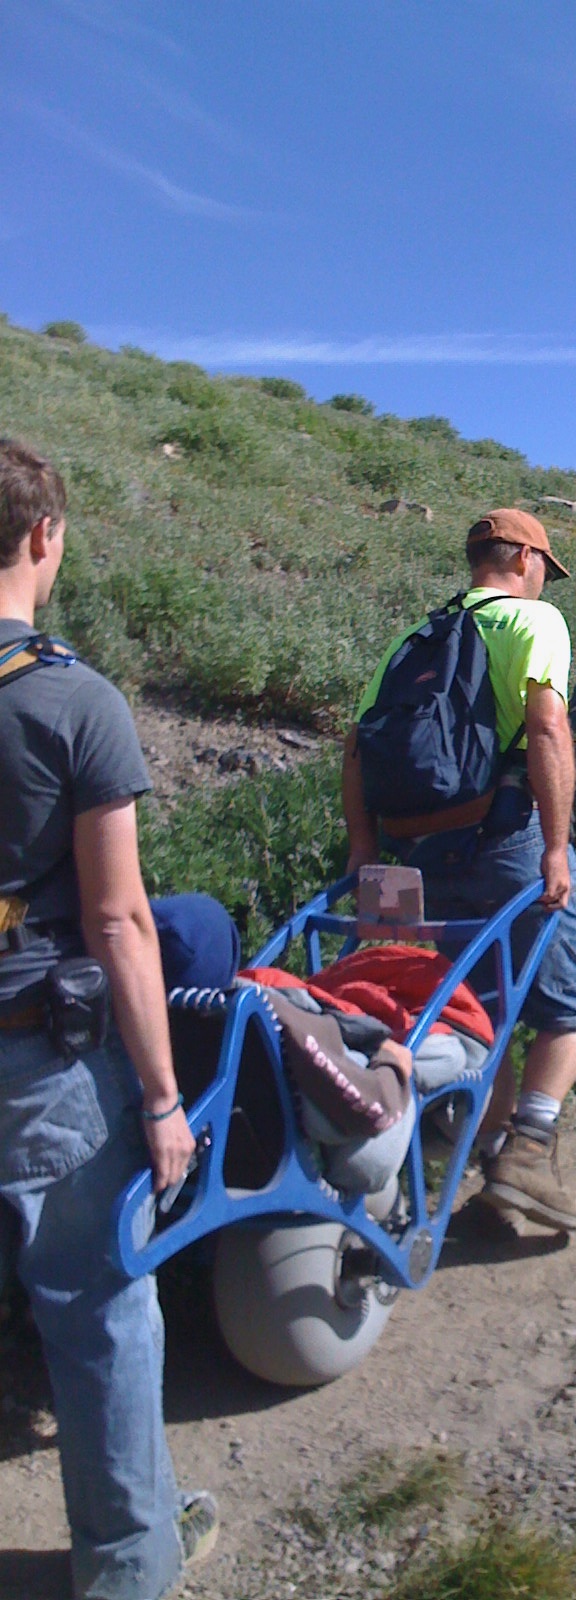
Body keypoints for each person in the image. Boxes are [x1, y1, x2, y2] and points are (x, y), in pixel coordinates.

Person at [0, 439, 217, 1599]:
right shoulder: (69, 699)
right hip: (37, 1064)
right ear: (43, 536)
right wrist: (164, 1094)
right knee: (98, 1312)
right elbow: (122, 920)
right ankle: (132, 1562)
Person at [342, 509, 576, 1234]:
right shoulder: (531, 623)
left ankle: (489, 1147)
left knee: (477, 1010)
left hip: (421, 852)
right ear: (523, 557)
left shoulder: (415, 636)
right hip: (508, 837)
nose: (544, 583)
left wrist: (362, 849)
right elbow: (549, 726)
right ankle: (526, 1152)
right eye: (544, 570)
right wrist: (556, 847)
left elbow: (358, 748)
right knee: (574, 1002)